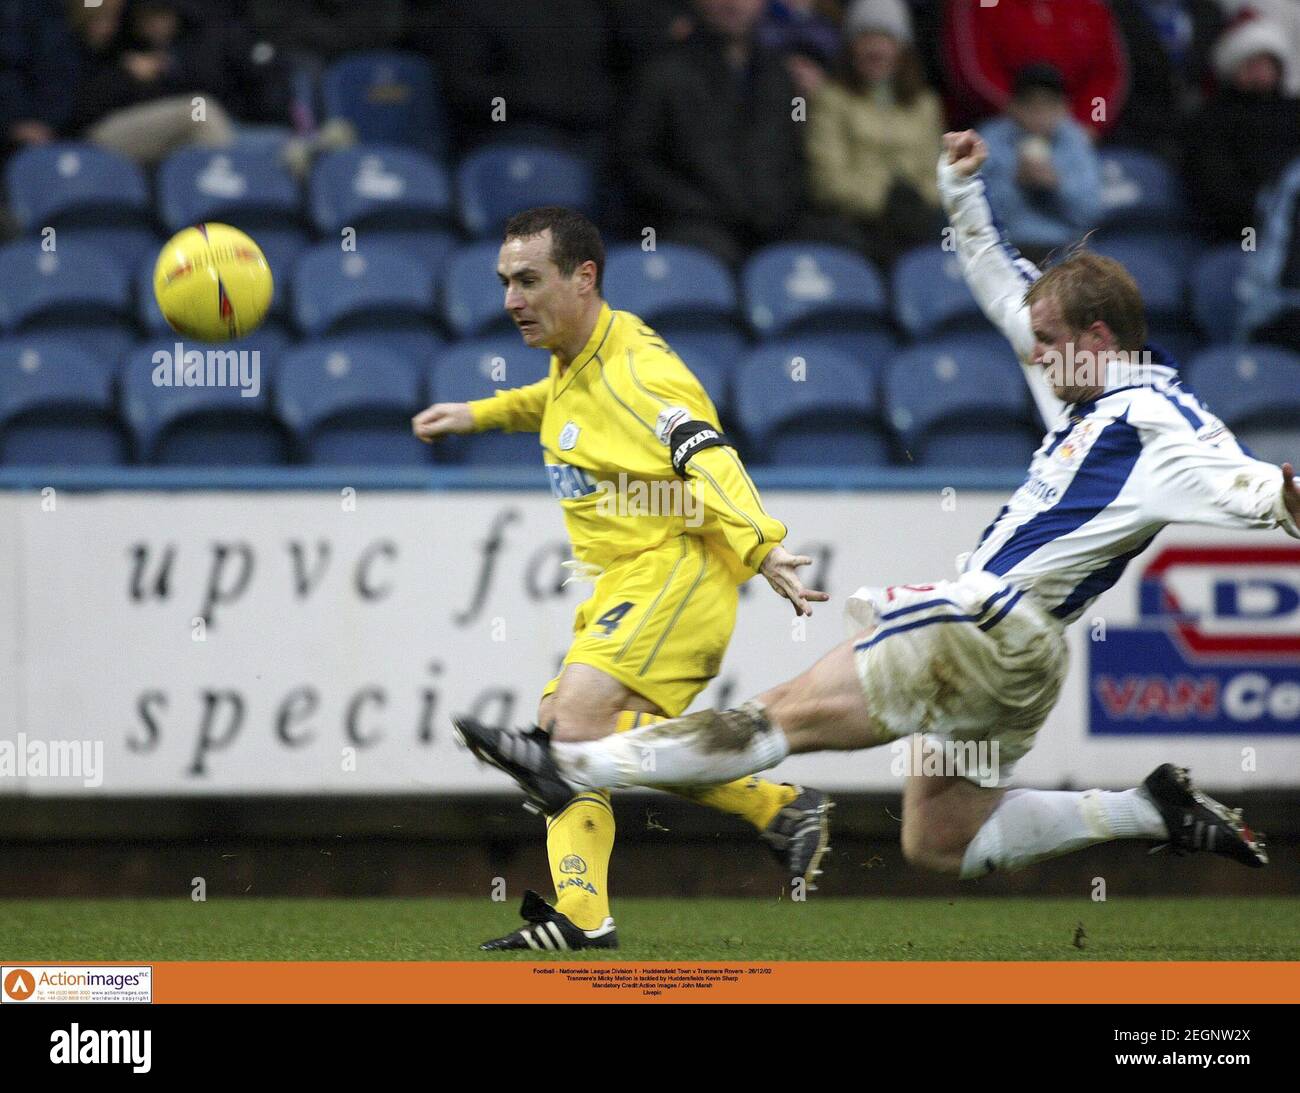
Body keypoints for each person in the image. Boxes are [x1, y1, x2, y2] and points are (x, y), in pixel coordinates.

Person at [457, 136, 1300, 881]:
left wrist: (1286, 495)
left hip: (982, 621)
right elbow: (1000, 283)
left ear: (1103, 339)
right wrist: (964, 189)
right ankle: (1150, 809)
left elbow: (1251, 485)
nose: (1035, 357)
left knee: (776, 716)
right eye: (1035, 341)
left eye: (1050, 343)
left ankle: (568, 761)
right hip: (1026, 662)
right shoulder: (1080, 390)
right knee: (941, 840)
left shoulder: (1159, 420)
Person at [412, 207, 832, 951]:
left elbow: (707, 454)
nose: (511, 299)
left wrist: (763, 545)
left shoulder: (640, 372)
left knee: (565, 733)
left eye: (528, 280)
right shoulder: (574, 353)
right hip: (626, 578)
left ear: (584, 278)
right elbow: (558, 405)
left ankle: (774, 804)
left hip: (675, 567)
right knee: (570, 740)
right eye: (505, 281)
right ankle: (588, 913)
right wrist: (478, 415)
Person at [805, 0, 946, 268]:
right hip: (855, 223)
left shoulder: (925, 104)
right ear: (850, 47)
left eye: (886, 38)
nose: (876, 49)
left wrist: (916, 202)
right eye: (865, 37)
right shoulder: (831, 99)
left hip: (919, 220)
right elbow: (827, 181)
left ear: (902, 48)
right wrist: (887, 202)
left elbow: (937, 174)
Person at [978, 64, 1102, 264]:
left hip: (1065, 251)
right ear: (1012, 106)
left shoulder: (1075, 140)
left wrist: (1056, 185)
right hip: (1006, 251)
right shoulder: (990, 140)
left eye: (1047, 104)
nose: (1039, 113)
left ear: (1063, 108)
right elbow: (979, 219)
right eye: (1030, 103)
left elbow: (1090, 214)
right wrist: (1017, 183)